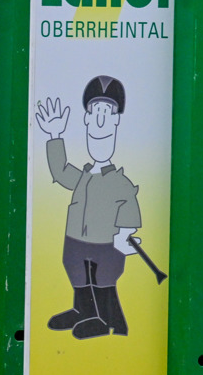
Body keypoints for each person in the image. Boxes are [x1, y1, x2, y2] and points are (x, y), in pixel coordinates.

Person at [35, 75, 142, 339]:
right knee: (77, 273)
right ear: (86, 117)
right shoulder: (83, 176)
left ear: (116, 119)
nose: (101, 120)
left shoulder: (121, 182)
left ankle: (108, 321)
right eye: (95, 111)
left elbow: (129, 211)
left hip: (105, 244)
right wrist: (55, 136)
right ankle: (82, 311)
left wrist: (124, 236)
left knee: (103, 279)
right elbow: (60, 172)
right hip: (76, 240)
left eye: (108, 111)